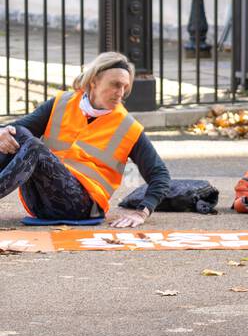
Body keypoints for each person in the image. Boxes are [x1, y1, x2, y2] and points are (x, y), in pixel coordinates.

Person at [0, 53, 170, 228]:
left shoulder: (129, 128)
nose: (120, 93)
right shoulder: (62, 103)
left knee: (34, 146)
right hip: (39, 202)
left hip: (82, 205)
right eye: (115, 85)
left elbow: (161, 175)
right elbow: (13, 132)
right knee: (15, 132)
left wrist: (142, 212)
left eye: (125, 87)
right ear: (94, 81)